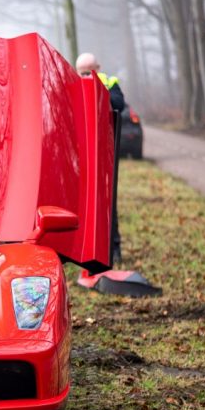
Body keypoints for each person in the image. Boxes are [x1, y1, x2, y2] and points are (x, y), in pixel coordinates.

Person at [76, 52, 124, 265]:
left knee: (107, 203)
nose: (87, 75)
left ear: (98, 67)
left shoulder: (110, 82)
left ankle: (114, 249)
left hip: (105, 153)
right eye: (83, 72)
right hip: (81, 155)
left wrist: (97, 89)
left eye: (90, 71)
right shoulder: (73, 85)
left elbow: (118, 104)